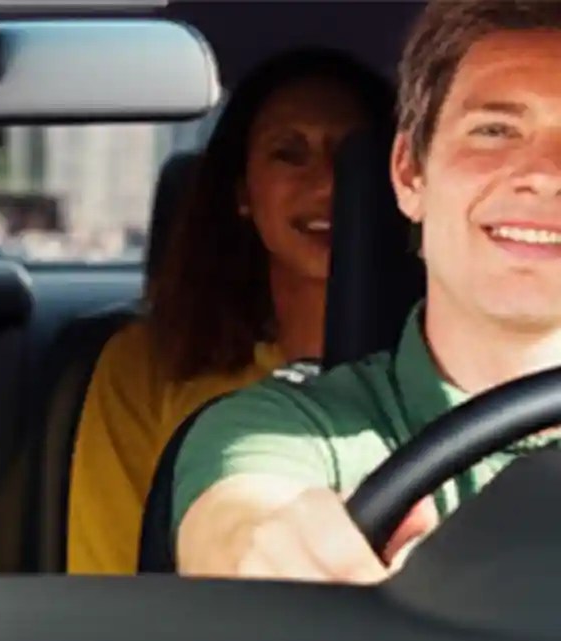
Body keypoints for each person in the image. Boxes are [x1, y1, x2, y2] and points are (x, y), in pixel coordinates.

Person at [173, 0, 561, 583]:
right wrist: (270, 553)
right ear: (409, 173)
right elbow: (243, 518)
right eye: (495, 130)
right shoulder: (291, 430)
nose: (546, 173)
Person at [66, 48, 396, 574]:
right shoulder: (148, 367)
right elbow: (105, 588)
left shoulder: (453, 358)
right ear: (243, 192)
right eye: (289, 153)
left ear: (403, 180)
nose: (327, 184)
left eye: (353, 157)